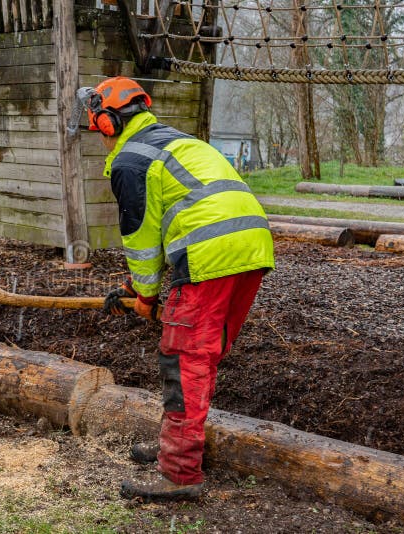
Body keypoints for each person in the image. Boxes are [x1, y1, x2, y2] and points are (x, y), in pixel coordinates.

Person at [83, 77, 275, 501]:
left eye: (97, 126)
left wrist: (146, 298)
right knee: (201, 359)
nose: (98, 135)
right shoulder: (173, 141)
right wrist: (132, 288)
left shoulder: (130, 161)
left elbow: (141, 238)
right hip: (252, 246)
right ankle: (178, 444)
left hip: (209, 252)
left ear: (109, 123)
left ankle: (180, 474)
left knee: (184, 362)